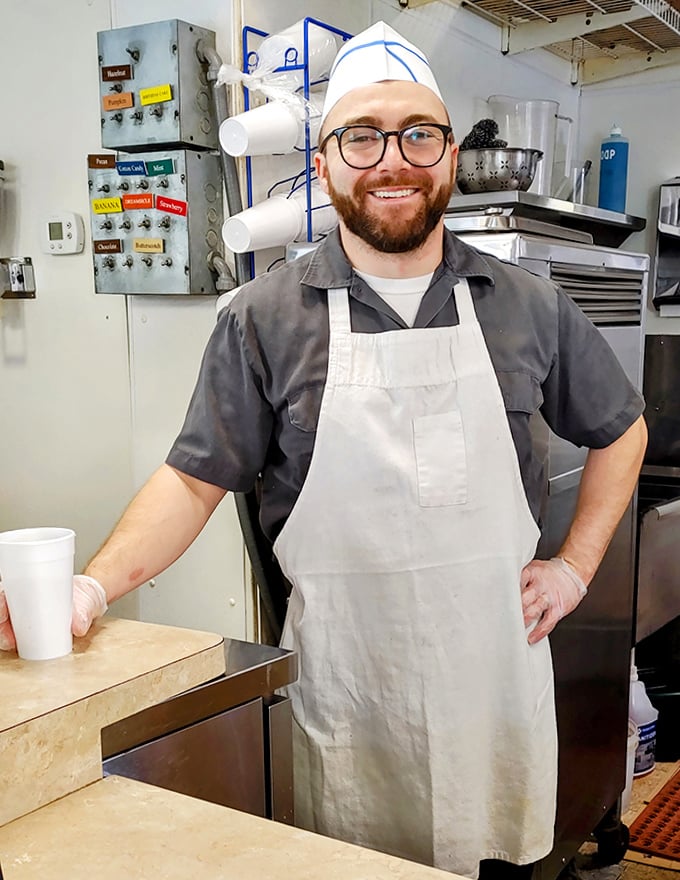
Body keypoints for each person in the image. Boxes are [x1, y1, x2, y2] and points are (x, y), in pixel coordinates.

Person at [0, 20, 646, 880]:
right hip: (350, 699)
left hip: (492, 697)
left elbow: (623, 429)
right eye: (362, 137)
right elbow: (192, 482)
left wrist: (574, 567)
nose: (392, 160)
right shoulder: (263, 319)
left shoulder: (528, 305)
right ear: (326, 162)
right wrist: (89, 588)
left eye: (419, 134)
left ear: (451, 156)